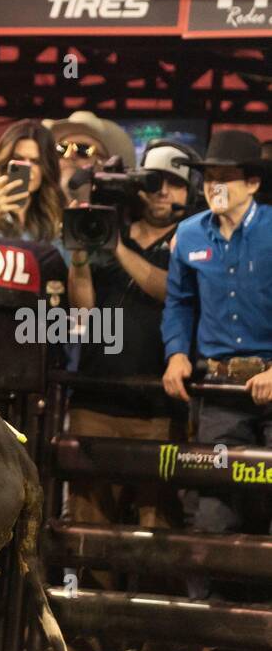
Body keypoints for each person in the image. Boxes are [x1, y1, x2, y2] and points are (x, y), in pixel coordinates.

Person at [161, 129, 272, 609]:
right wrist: (176, 352)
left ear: (252, 184)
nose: (213, 186)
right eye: (208, 177)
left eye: (225, 177)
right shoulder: (189, 234)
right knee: (212, 511)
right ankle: (213, 635)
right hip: (220, 386)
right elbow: (179, 302)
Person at [64, 144, 192, 553]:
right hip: (95, 400)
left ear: (191, 192)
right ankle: (84, 615)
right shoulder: (107, 230)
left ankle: (153, 617)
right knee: (89, 531)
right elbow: (83, 308)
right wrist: (82, 250)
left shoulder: (192, 239)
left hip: (159, 406)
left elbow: (167, 290)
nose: (162, 192)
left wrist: (114, 244)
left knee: (157, 535)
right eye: (154, 182)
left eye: (175, 184)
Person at [0, 119, 66, 251]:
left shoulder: (52, 216)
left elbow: (64, 268)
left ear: (46, 168)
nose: (28, 167)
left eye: (35, 161)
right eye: (19, 159)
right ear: (4, 163)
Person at [44, 110, 136, 201]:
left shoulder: (123, 211)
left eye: (83, 149)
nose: (70, 155)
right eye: (62, 149)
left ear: (105, 163)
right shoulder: (38, 209)